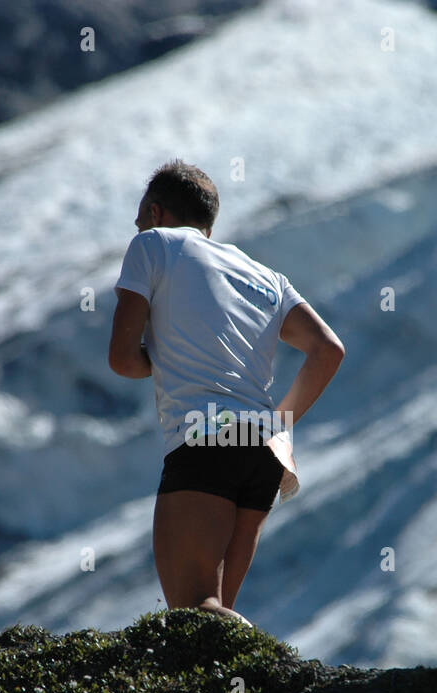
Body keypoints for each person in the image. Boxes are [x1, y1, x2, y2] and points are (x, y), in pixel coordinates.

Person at [109, 160, 344, 625]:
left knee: (195, 612)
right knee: (215, 617)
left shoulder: (152, 245)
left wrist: (161, 356)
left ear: (155, 213)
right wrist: (280, 423)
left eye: (139, 220)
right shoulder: (266, 276)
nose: (137, 228)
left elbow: (121, 358)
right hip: (265, 449)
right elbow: (328, 350)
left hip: (204, 435)